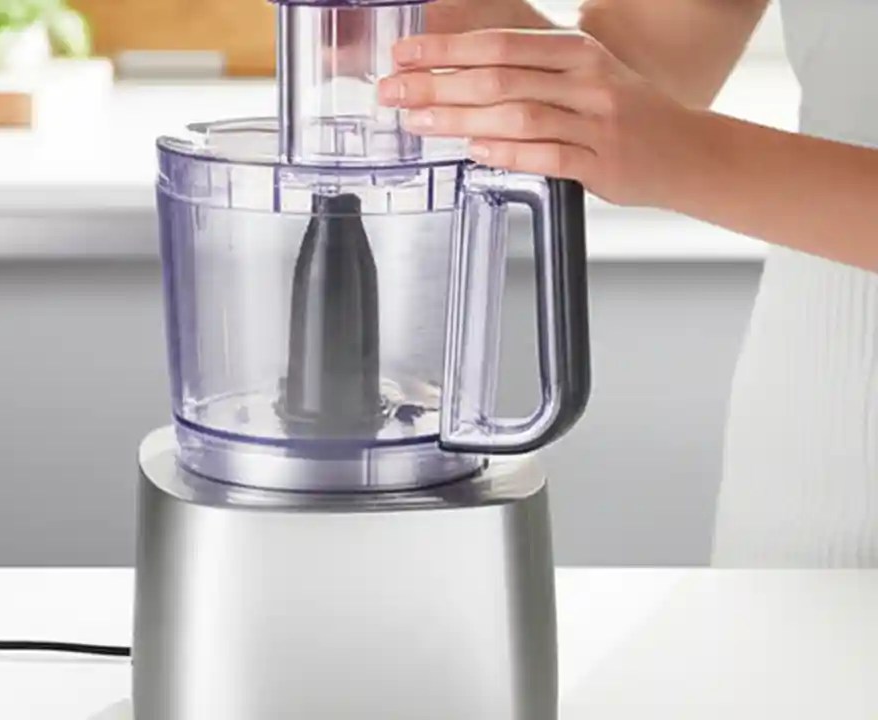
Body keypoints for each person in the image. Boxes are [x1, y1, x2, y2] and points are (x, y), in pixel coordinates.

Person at [376, 0, 878, 567]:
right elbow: (646, 70)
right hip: (809, 480)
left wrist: (691, 154)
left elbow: (664, 134)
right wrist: (469, 29)